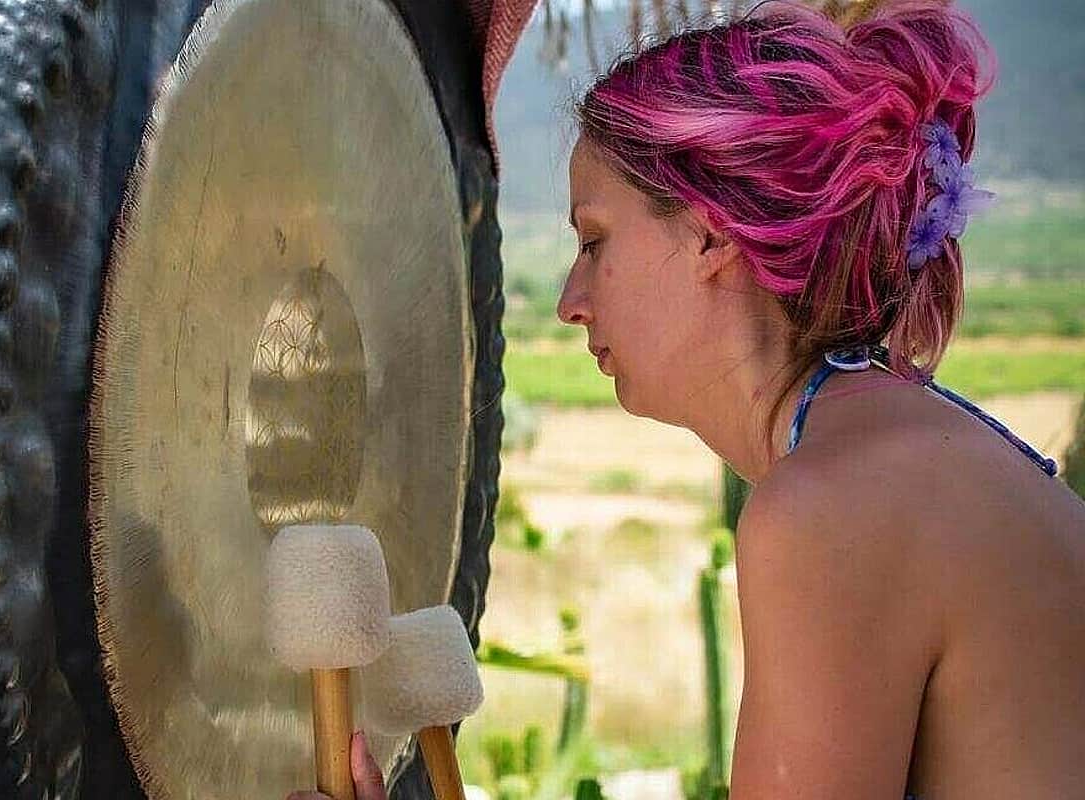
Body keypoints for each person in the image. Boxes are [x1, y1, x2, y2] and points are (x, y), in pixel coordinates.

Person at [292, 1, 1085, 798]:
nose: (571, 299)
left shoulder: (830, 510)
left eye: (594, 241)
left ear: (712, 232)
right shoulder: (933, 451)